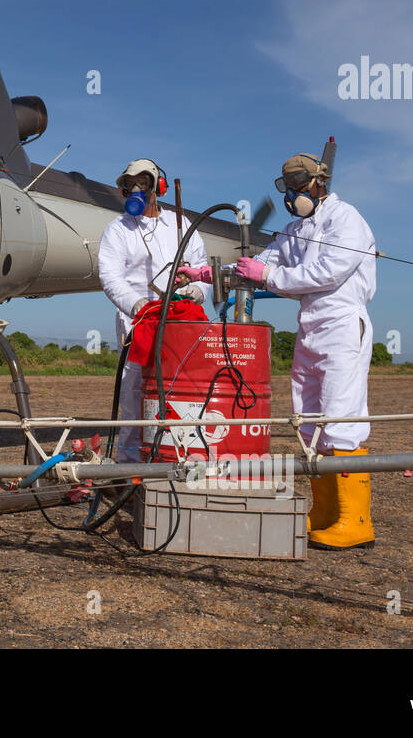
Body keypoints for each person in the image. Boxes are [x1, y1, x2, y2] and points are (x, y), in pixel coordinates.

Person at [180, 152, 377, 550]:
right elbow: (257, 264)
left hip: (342, 325)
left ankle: (356, 521)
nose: (292, 196)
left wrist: (268, 274)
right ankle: (325, 513)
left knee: (342, 417)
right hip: (310, 327)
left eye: (299, 188)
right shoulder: (294, 229)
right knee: (309, 421)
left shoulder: (346, 220)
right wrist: (206, 273)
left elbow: (327, 272)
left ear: (320, 183)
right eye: (287, 189)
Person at [99, 158, 210, 464]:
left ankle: (176, 461)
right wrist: (138, 306)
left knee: (182, 394)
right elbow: (110, 277)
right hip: (139, 326)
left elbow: (201, 268)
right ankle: (129, 470)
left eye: (143, 182)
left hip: (179, 327)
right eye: (130, 183)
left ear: (158, 186)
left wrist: (197, 290)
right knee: (135, 400)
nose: (137, 188)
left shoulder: (181, 225)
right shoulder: (117, 230)